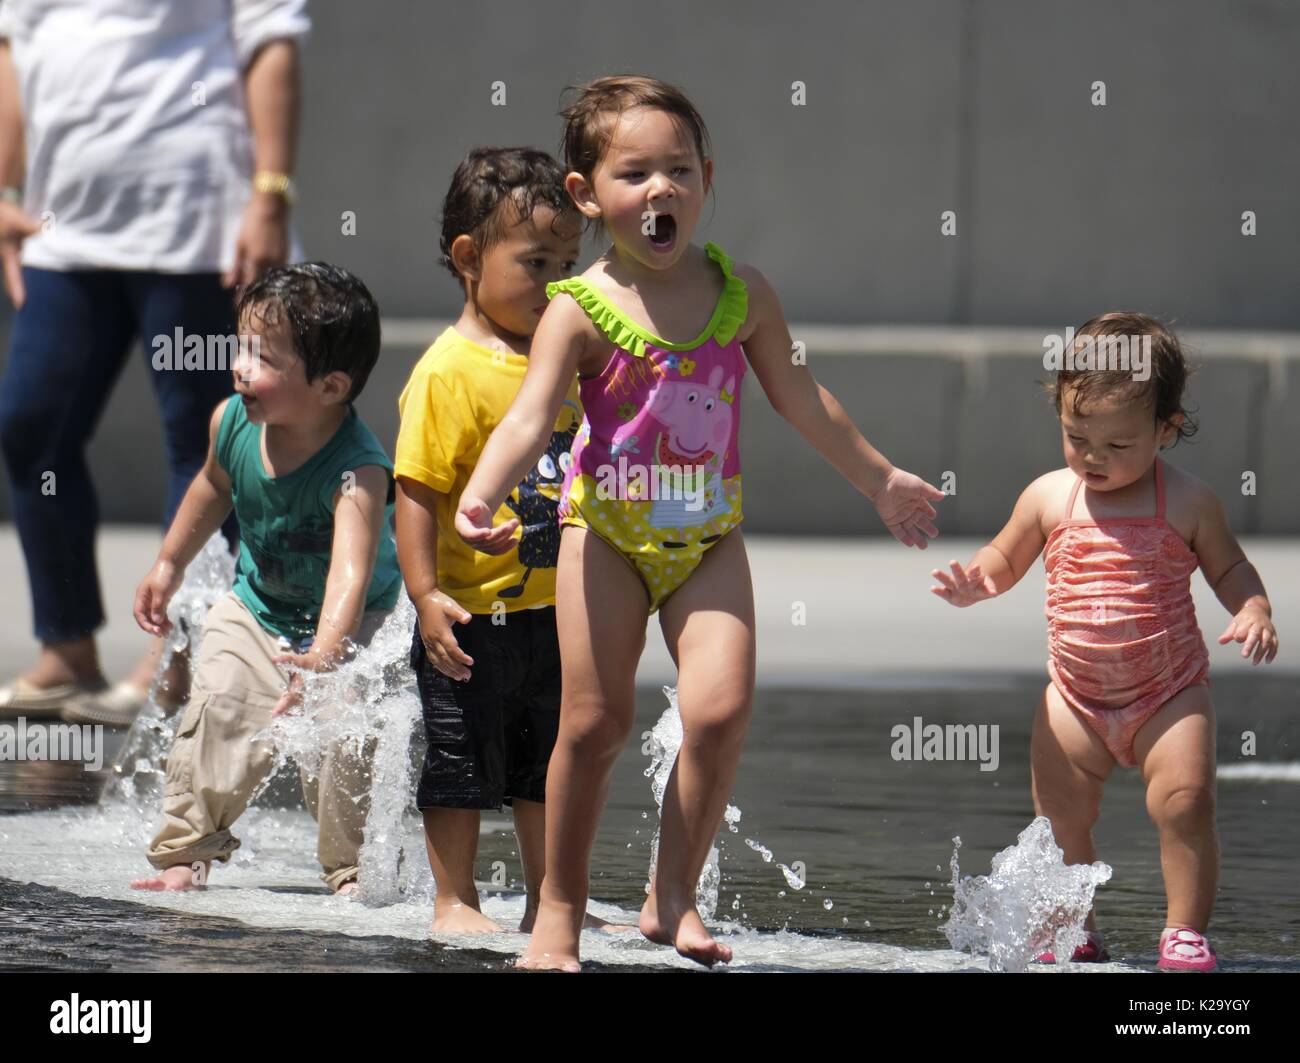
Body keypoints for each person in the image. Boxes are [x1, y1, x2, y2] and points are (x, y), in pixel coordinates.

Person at [455, 75, 944, 970]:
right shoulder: (580, 307)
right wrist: (481, 495)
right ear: (587, 195)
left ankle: (668, 894)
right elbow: (530, 418)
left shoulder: (742, 293)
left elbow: (802, 398)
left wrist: (879, 480)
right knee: (595, 724)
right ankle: (558, 908)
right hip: (604, 532)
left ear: (707, 178)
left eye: (679, 169)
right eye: (634, 173)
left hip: (708, 538)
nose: (660, 190)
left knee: (719, 711)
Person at [930, 312, 1279, 972]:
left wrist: (1254, 606)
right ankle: (1075, 929)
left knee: (1185, 804)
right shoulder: (1048, 497)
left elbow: (1229, 566)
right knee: (1061, 820)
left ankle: (1183, 930)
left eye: (1117, 445)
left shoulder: (1187, 502)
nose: (1092, 456)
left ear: (1166, 429)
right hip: (1075, 700)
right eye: (1075, 435)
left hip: (1169, 694)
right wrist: (978, 580)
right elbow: (1005, 556)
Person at [0, 0, 307, 726]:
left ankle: (179, 649)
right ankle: (67, 647)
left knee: (204, 438)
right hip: (61, 228)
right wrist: (6, 189)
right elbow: (13, 47)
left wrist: (269, 193)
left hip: (197, 225)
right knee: (29, 426)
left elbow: (272, 45)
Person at [128, 263, 401, 894]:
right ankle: (185, 851)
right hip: (257, 606)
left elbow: (349, 578)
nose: (242, 367)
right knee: (216, 707)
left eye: (265, 359)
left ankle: (352, 865)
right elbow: (211, 487)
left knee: (344, 736)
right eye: (242, 347)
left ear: (331, 386)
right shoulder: (231, 423)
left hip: (354, 626)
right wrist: (169, 563)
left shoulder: (358, 470)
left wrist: (325, 661)